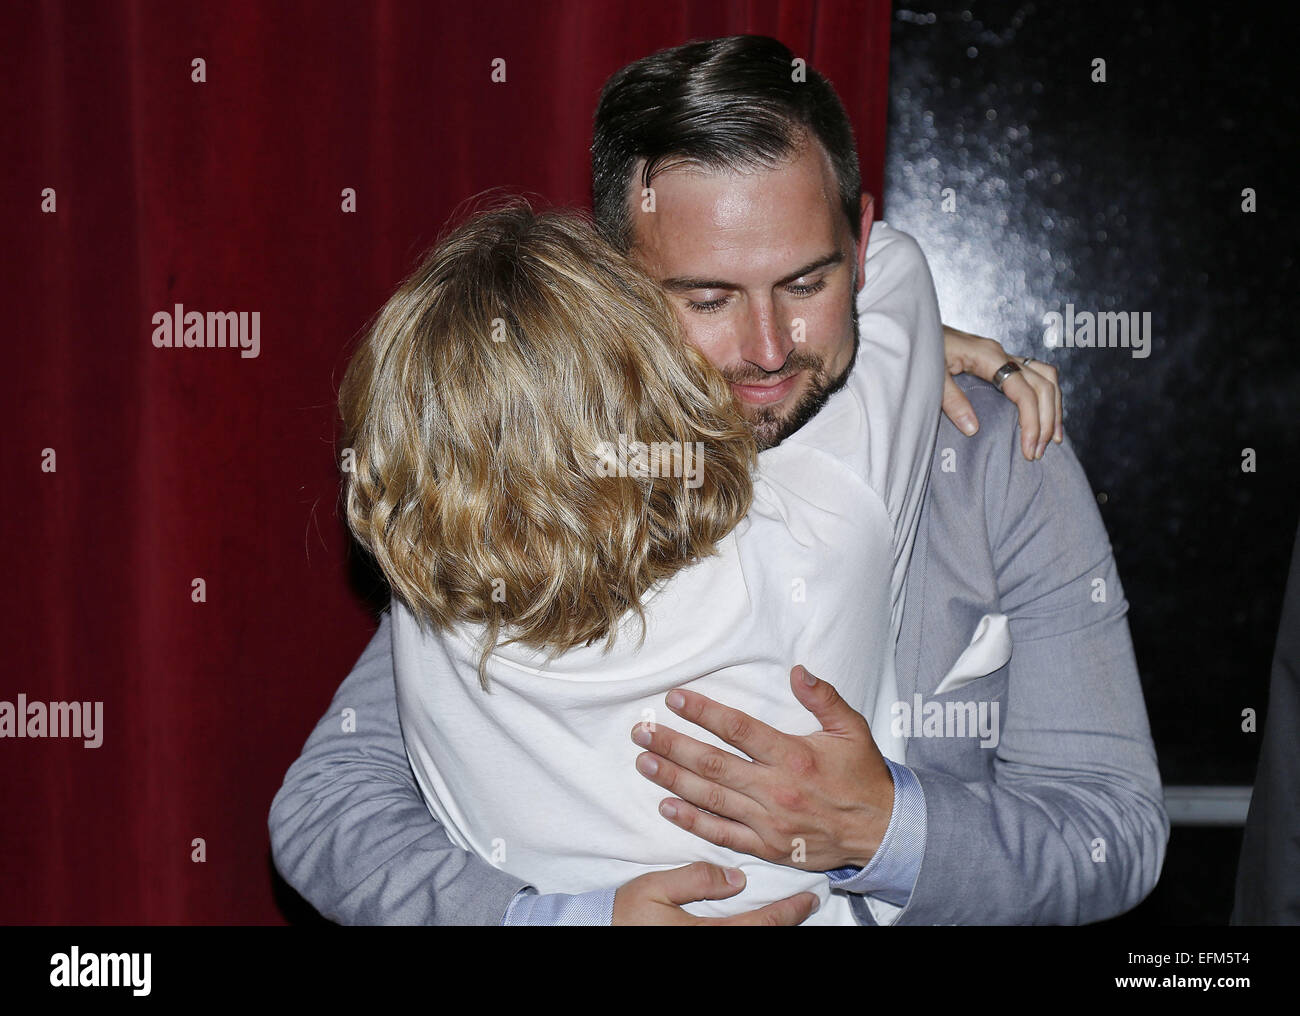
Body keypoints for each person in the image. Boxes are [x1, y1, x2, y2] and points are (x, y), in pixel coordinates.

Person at [269, 35, 1167, 925]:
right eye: (708, 300)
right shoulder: (533, 484)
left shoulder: (988, 450)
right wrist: (568, 924)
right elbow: (331, 809)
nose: (771, 351)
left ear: (859, 240)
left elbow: (1113, 831)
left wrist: (888, 827)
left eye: (807, 283)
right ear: (613, 291)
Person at [337, 187, 941, 925]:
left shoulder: (426, 610)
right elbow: (895, 261)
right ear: (654, 377)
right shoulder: (821, 520)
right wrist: (922, 342)